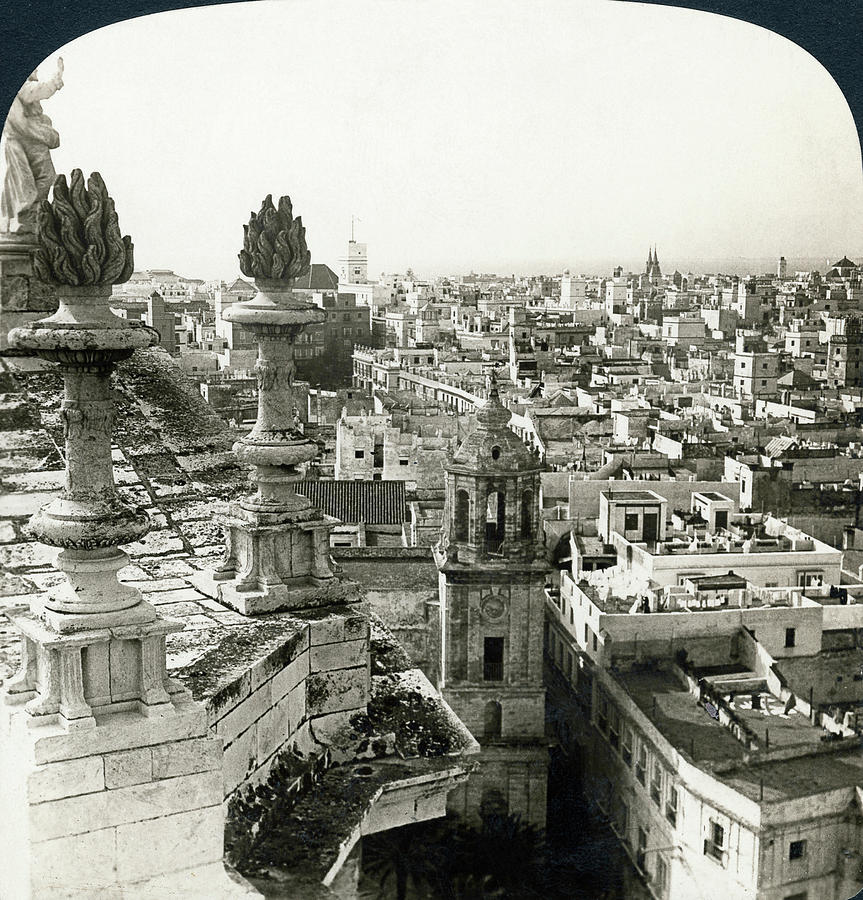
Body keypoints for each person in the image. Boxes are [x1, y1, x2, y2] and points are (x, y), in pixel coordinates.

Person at [0, 58, 64, 233]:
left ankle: (31, 215)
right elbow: (34, 92)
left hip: (31, 138)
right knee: (41, 177)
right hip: (29, 139)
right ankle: (28, 215)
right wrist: (55, 80)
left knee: (41, 178)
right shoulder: (21, 84)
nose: (36, 71)